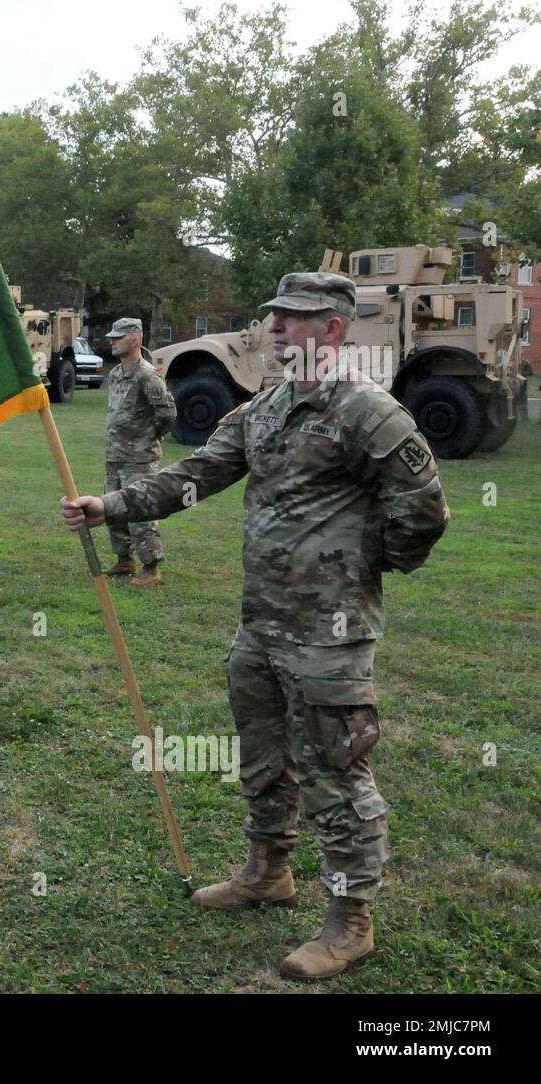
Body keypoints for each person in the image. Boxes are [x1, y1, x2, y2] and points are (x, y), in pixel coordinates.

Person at [59, 272, 450, 980]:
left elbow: (424, 509)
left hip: (329, 636)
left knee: (338, 772)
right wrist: (110, 505)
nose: (275, 328)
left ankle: (349, 921)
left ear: (331, 331)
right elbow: (196, 476)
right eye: (273, 316)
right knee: (265, 757)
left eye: (293, 319)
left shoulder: (367, 411)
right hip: (261, 625)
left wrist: (365, 566)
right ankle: (268, 871)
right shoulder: (263, 408)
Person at [102, 317, 176, 587]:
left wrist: (149, 437)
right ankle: (124, 561)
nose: (111, 341)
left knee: (140, 511)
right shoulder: (116, 374)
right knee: (114, 511)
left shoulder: (147, 376)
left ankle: (151, 566)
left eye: (117, 337)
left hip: (139, 459)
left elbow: (167, 414)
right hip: (116, 455)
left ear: (134, 340)